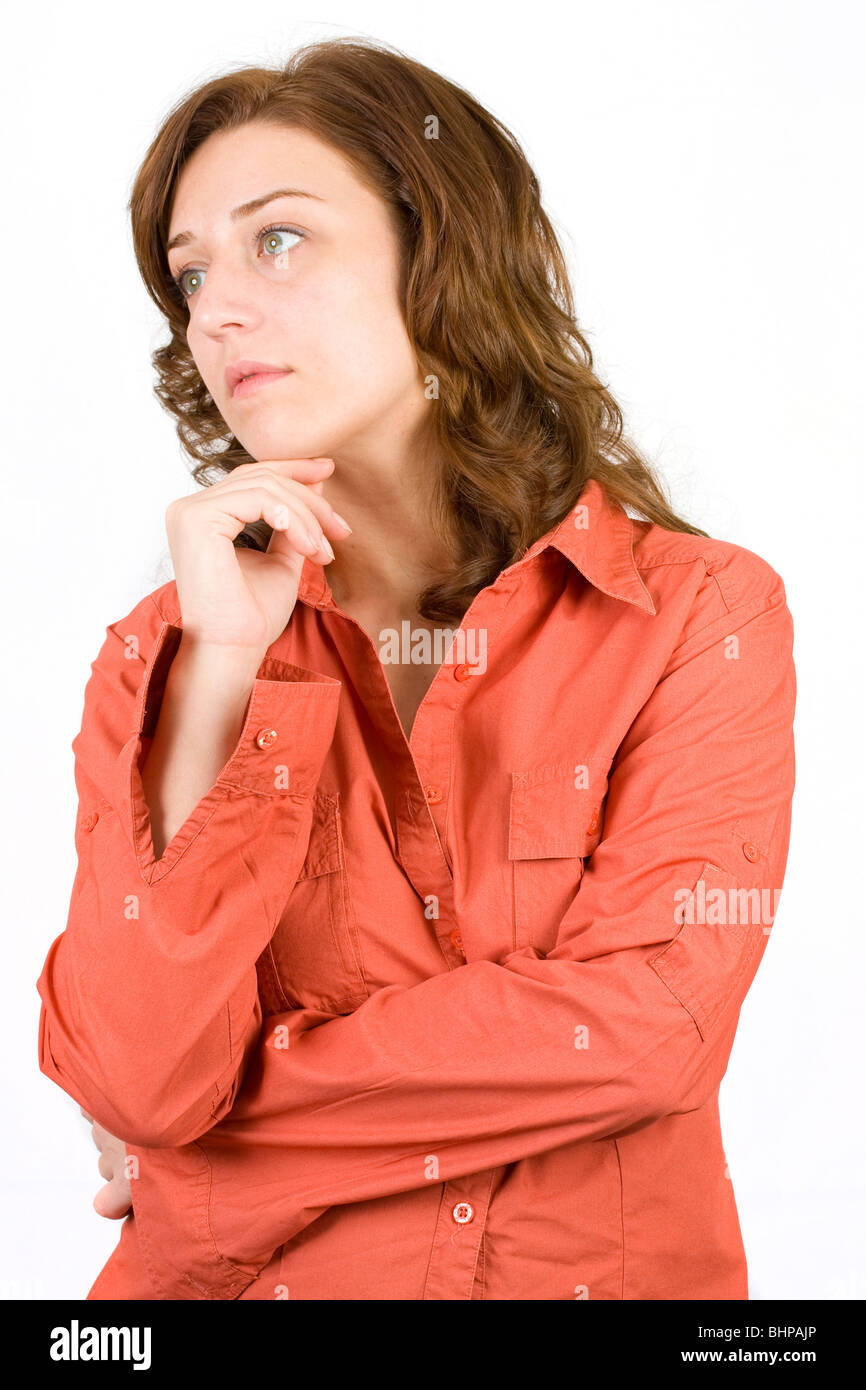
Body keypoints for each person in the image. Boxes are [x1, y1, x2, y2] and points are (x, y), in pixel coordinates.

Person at [36, 37, 796, 1301]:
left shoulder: (697, 614)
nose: (215, 308)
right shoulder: (162, 651)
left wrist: (209, 1162)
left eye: (278, 239)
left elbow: (649, 1029)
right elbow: (132, 1077)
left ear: (439, 252)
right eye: (189, 273)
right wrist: (224, 670)